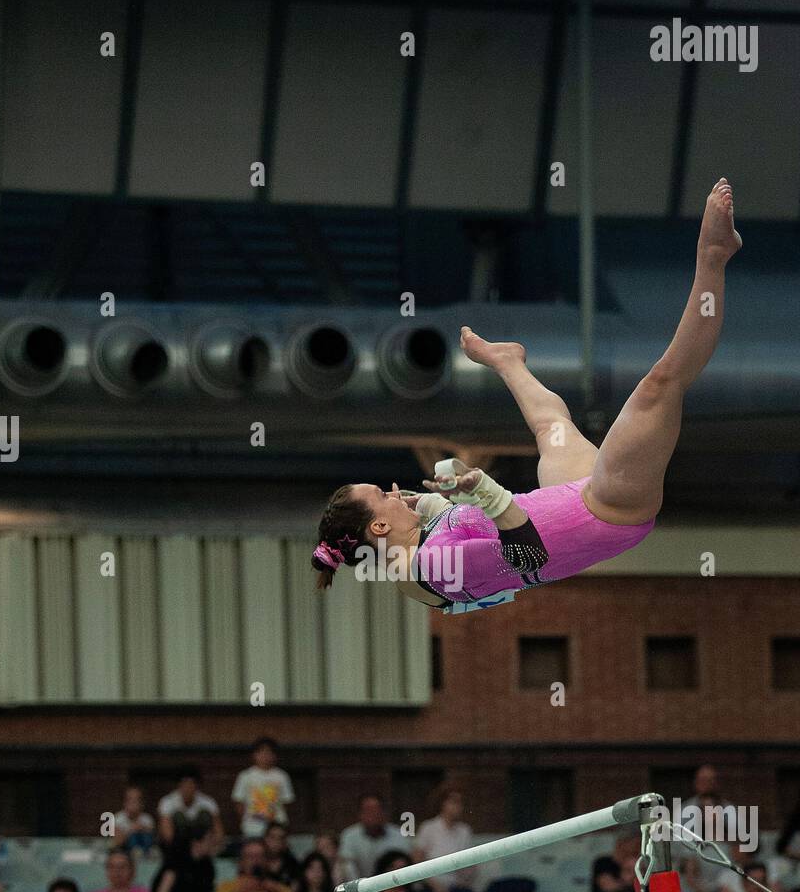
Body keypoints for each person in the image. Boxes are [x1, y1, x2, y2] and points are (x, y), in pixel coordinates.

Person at [312, 183, 741, 615]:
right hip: (608, 510)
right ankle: (713, 257)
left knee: (550, 426)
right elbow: (527, 556)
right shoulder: (431, 565)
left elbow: (463, 532)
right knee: (659, 385)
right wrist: (482, 488)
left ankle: (507, 361)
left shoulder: (420, 552)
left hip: (573, 496)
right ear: (380, 525)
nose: (392, 490)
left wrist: (436, 494)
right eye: (381, 495)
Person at [412, 787, 476, 892]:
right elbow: (417, 861)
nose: (458, 807)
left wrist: (463, 882)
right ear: (443, 803)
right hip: (430, 884)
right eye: (454, 802)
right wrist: (435, 886)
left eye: (461, 803)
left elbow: (471, 864)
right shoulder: (428, 827)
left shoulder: (465, 831)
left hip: (455, 885)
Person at [150, 827, 217, 892]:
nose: (212, 843)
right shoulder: (177, 860)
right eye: (208, 840)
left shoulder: (207, 866)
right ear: (196, 842)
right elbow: (163, 890)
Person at [231, 736, 295, 838]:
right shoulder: (245, 776)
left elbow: (287, 802)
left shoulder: (282, 776)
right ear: (254, 755)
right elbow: (238, 801)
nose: (265, 756)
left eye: (269, 753)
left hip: (277, 827)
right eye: (261, 752)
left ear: (275, 756)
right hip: (252, 827)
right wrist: (246, 819)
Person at [336, 793, 404, 883]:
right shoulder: (349, 835)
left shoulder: (399, 835)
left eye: (377, 810)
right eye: (368, 810)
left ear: (384, 812)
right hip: (359, 888)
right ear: (360, 814)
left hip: (392, 887)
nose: (373, 814)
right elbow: (347, 867)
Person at [156, 766, 224, 855]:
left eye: (191, 784)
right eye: (185, 784)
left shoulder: (208, 803)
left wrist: (207, 845)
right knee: (178, 816)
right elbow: (167, 835)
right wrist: (188, 848)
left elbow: (219, 832)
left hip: (203, 848)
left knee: (204, 814)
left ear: (196, 786)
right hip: (177, 848)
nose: (188, 788)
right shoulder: (167, 802)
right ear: (179, 785)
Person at [113, 785, 156, 855]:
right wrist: (131, 830)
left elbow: (153, 839)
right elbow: (117, 842)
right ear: (124, 802)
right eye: (129, 800)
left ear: (142, 803)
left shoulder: (147, 818)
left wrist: (142, 829)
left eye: (136, 800)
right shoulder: (118, 818)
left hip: (145, 850)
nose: (133, 803)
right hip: (126, 852)